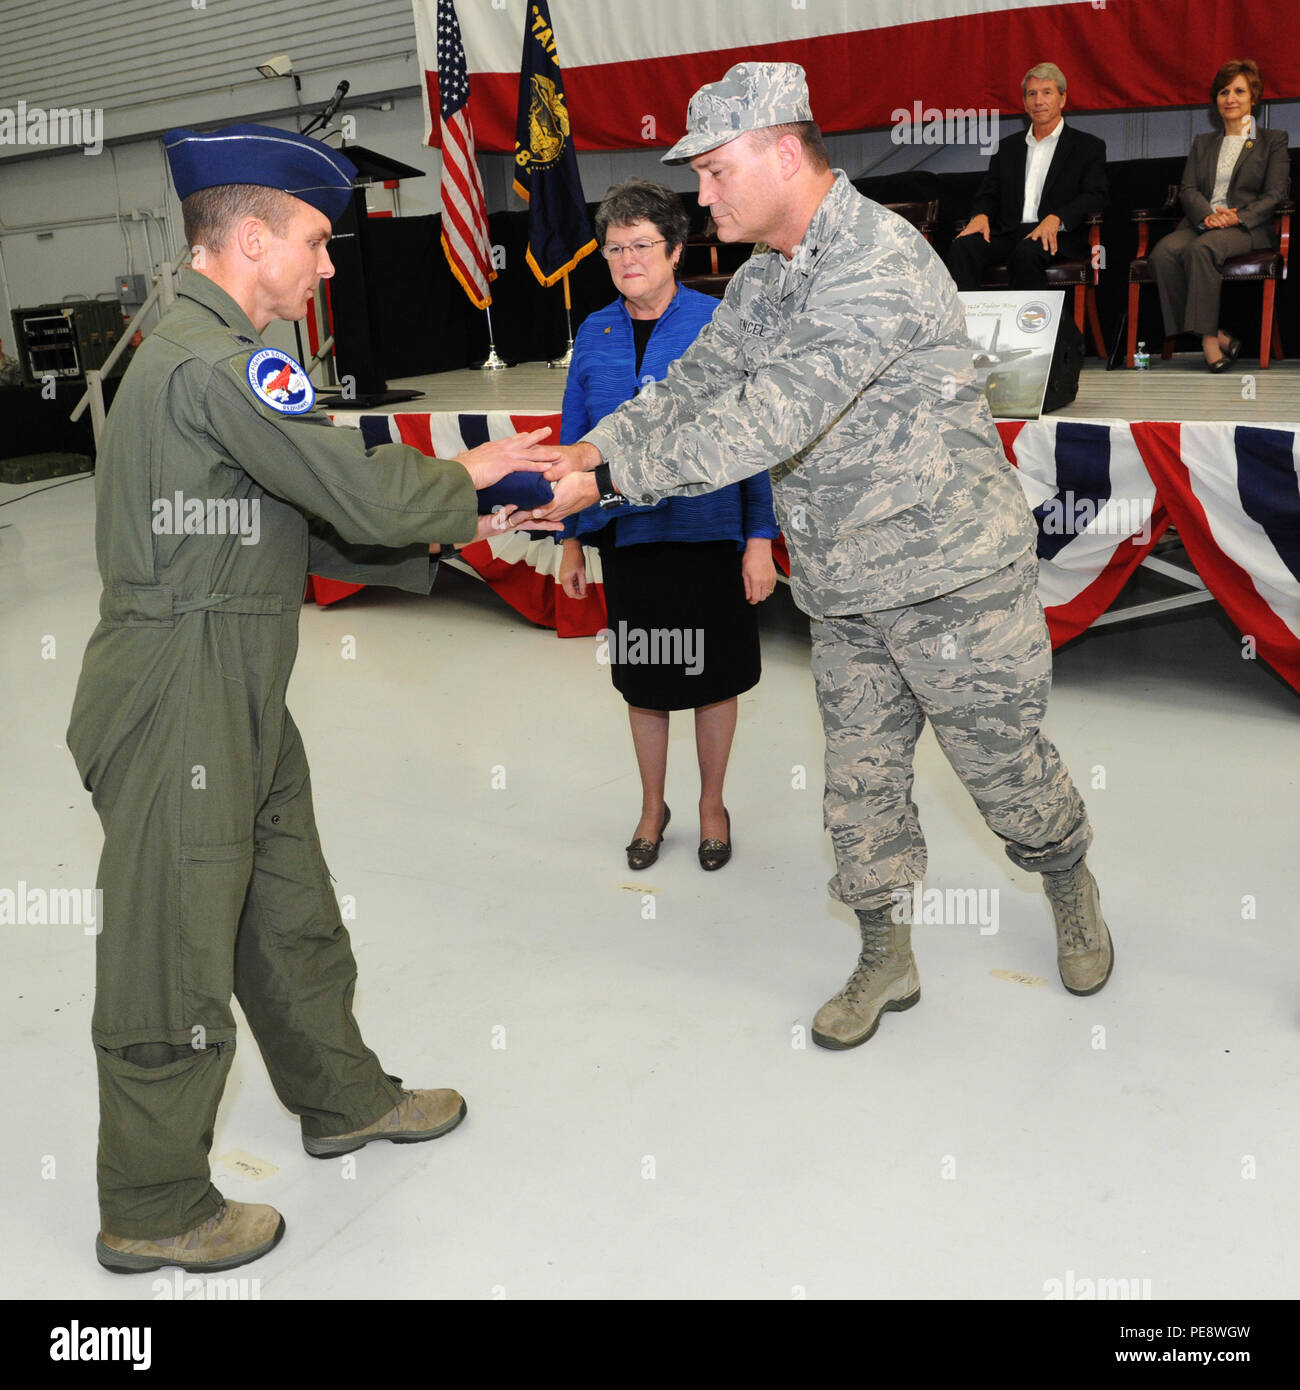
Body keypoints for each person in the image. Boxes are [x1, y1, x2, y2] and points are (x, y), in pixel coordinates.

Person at [537, 63, 1113, 1052]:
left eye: (714, 171)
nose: (702, 194)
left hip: (952, 579)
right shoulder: (763, 281)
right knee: (858, 790)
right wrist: (591, 448)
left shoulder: (877, 266)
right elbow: (689, 388)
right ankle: (885, 956)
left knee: (1005, 773)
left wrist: (608, 483)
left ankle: (1067, 881)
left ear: (781, 152)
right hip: (845, 588)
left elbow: (764, 418)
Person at [66, 122, 560, 1273]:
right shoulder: (213, 358)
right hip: (179, 686)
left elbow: (282, 508)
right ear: (247, 240)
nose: (328, 266)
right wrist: (467, 476)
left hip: (233, 670)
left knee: (285, 903)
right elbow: (342, 481)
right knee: (170, 949)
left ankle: (342, 1098)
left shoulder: (208, 348)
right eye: (314, 243)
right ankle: (150, 1202)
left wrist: (463, 515)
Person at [558, 178, 779, 871]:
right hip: (631, 540)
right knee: (647, 682)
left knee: (713, 680)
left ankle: (713, 805)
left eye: (642, 245)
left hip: (710, 535)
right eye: (614, 247)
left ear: (676, 249)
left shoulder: (719, 326)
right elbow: (574, 438)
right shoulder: (591, 335)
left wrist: (759, 539)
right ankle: (654, 808)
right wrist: (568, 541)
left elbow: (756, 443)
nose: (628, 259)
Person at [1148, 59, 1289, 371]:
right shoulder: (1203, 142)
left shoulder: (1273, 141)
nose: (1231, 98)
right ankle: (1220, 334)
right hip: (1204, 222)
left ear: (1254, 97)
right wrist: (1208, 215)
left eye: (1239, 90)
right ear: (1215, 100)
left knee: (1201, 249)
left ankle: (1209, 340)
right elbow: (1188, 189)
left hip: (1247, 228)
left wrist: (1234, 218)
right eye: (1224, 91)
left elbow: (1275, 194)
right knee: (1163, 254)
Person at [946, 62, 1108, 291]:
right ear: (1024, 103)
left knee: (1026, 252)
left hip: (1057, 236)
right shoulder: (1007, 148)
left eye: (1047, 92)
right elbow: (988, 194)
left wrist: (1057, 218)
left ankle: (1030, 325)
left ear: (1062, 99)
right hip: (1009, 232)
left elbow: (1095, 195)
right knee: (963, 247)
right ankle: (963, 324)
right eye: (1032, 94)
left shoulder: (1087, 146)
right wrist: (980, 215)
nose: (1038, 100)